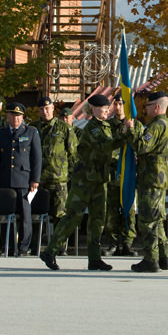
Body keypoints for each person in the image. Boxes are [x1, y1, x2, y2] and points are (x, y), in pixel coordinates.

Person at [40, 94, 128, 271]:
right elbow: (105, 146)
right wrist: (124, 136)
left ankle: (94, 258)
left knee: (97, 219)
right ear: (93, 109)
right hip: (85, 180)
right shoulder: (93, 128)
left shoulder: (105, 126)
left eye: (106, 108)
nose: (106, 111)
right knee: (73, 215)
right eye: (103, 108)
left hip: (99, 179)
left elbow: (112, 153)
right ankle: (51, 250)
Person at [124, 91, 168, 273]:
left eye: (147, 106)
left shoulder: (156, 126)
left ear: (156, 107)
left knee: (148, 221)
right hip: (159, 178)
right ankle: (164, 257)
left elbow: (142, 146)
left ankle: (150, 259)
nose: (144, 109)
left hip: (151, 178)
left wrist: (130, 130)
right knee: (157, 220)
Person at [0, 102, 41, 255]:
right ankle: (9, 246)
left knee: (25, 215)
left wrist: (35, 179)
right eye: (13, 115)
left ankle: (23, 247)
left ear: (23, 117)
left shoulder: (31, 132)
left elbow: (37, 158)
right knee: (7, 215)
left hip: (24, 180)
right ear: (8, 116)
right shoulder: (0, 133)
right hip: (5, 180)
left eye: (19, 116)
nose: (16, 118)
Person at [31, 96, 77, 252]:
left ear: (53, 109)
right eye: (42, 109)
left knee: (59, 216)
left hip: (58, 180)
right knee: (35, 216)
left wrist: (71, 177)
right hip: (37, 181)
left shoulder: (63, 128)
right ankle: (34, 246)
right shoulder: (33, 128)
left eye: (48, 108)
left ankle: (59, 247)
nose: (45, 111)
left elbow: (73, 154)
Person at [104, 94, 137, 256]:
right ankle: (113, 243)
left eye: (121, 104)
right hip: (111, 173)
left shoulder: (135, 125)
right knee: (111, 210)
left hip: (128, 173)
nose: (117, 107)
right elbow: (107, 145)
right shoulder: (108, 125)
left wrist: (129, 128)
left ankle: (128, 243)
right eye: (115, 104)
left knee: (129, 208)